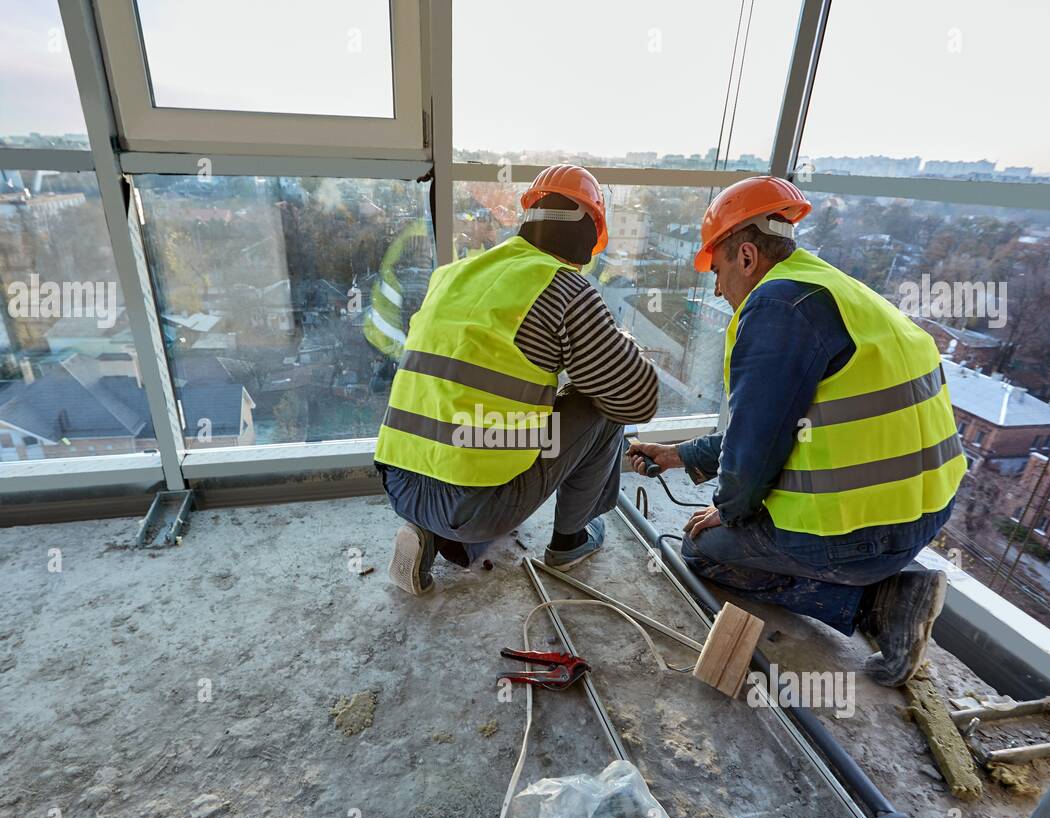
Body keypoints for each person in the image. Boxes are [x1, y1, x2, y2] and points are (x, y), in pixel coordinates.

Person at [629, 176, 965, 687]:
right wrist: (676, 456)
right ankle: (883, 583)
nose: (717, 288)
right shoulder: (836, 290)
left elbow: (756, 452)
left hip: (867, 535)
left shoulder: (775, 309)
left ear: (745, 256)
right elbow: (786, 430)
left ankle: (880, 602)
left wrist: (731, 513)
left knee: (702, 548)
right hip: (923, 513)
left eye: (717, 270)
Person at [375, 165, 659, 594]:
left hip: (399, 485)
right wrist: (621, 344)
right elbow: (636, 399)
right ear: (590, 230)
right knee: (598, 403)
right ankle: (570, 541)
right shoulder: (564, 287)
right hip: (471, 505)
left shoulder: (453, 274)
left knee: (498, 435)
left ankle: (436, 537)